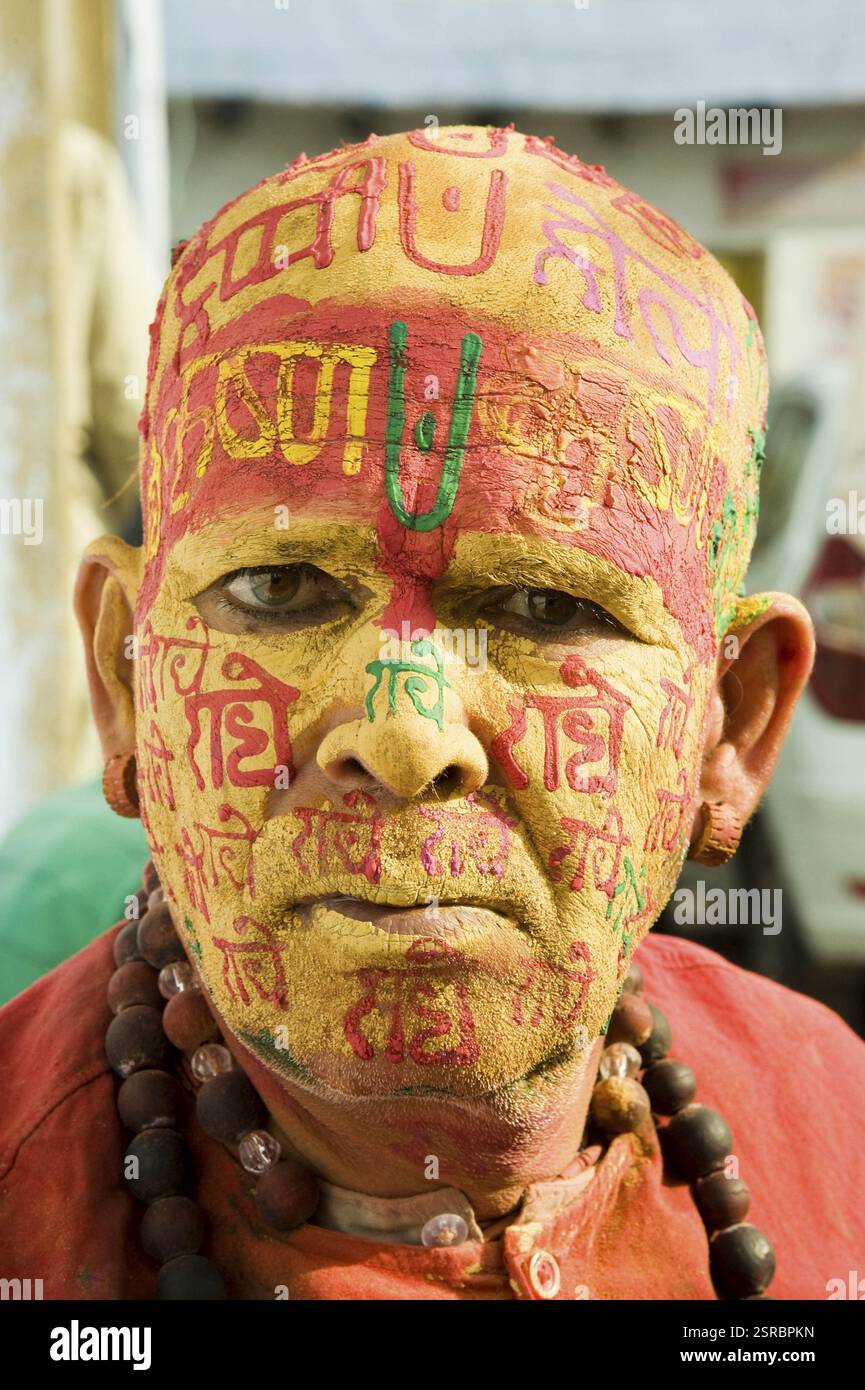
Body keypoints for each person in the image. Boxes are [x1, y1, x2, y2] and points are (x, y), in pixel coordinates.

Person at [1, 125, 863, 1302]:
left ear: (730, 720)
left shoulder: (833, 1119)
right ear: (126, 679)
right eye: (278, 590)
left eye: (543, 606)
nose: (405, 736)